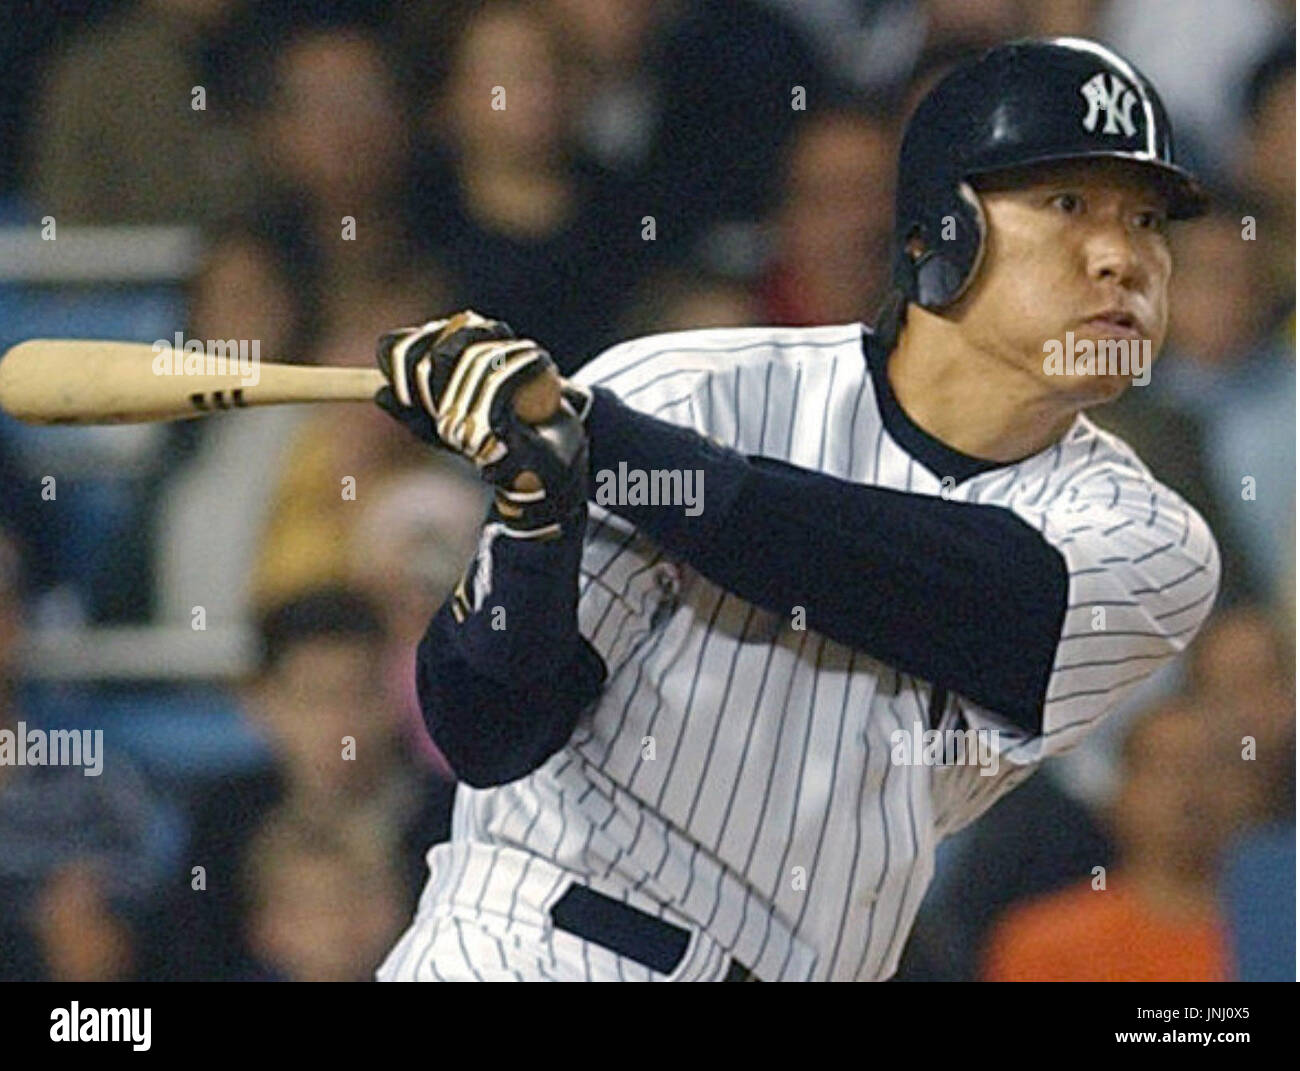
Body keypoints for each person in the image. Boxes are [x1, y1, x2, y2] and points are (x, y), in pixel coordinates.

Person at [371, 38, 1220, 982]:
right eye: (1068, 204)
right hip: (539, 947)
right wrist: (535, 518)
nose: (1123, 258)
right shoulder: (690, 391)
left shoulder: (1153, 540)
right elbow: (486, 732)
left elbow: (928, 585)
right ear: (936, 232)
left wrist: (596, 441)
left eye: (1148, 220)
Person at [981, 698, 1250, 982]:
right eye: (1167, 770)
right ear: (1121, 796)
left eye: (1211, 769)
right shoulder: (1046, 944)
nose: (1191, 793)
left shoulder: (1273, 931)